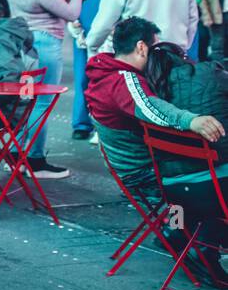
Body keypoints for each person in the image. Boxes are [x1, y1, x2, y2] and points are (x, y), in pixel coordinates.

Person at [85, 18, 228, 276]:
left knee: (195, 172)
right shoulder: (122, 79)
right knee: (210, 181)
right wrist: (191, 120)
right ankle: (201, 245)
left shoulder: (105, 74)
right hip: (147, 176)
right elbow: (150, 108)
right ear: (141, 47)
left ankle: (175, 231)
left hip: (133, 169)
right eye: (153, 48)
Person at [5, 0, 85, 179]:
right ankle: (35, 160)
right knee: (41, 103)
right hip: (45, 45)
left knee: (25, 100)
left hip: (23, 44)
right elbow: (71, 13)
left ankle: (14, 154)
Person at [64, 0, 120, 140]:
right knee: (82, 79)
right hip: (84, 39)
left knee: (111, 83)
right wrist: (73, 25)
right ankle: (81, 123)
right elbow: (67, 3)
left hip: (114, 40)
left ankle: (108, 124)